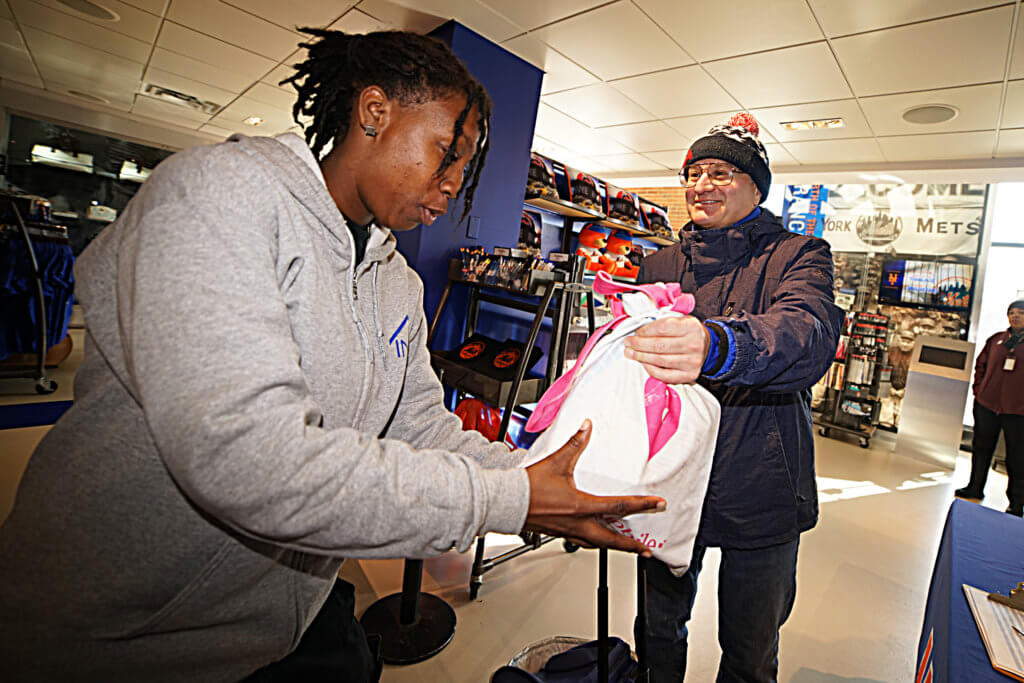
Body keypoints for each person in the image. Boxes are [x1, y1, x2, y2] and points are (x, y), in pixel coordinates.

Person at [0, 29, 664, 682]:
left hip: (284, 613)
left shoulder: (396, 281)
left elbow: (421, 427)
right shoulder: (217, 195)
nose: (453, 188)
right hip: (122, 636)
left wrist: (543, 478)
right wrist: (509, 497)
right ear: (375, 113)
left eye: (465, 171)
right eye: (446, 154)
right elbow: (247, 458)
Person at [623, 113, 844, 682]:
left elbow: (807, 334)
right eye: (692, 173)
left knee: (749, 650)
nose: (700, 185)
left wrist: (717, 345)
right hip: (670, 479)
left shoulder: (799, 255)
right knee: (656, 629)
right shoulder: (659, 265)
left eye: (719, 172)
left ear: (755, 186)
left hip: (762, 480)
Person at [955, 299, 1024, 515]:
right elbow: (981, 365)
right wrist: (979, 390)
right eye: (1012, 312)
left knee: (1017, 456)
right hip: (987, 405)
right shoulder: (997, 340)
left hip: (1018, 411)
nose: (1015, 316)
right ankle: (975, 487)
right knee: (981, 448)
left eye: (1020, 313)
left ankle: (1016, 501)